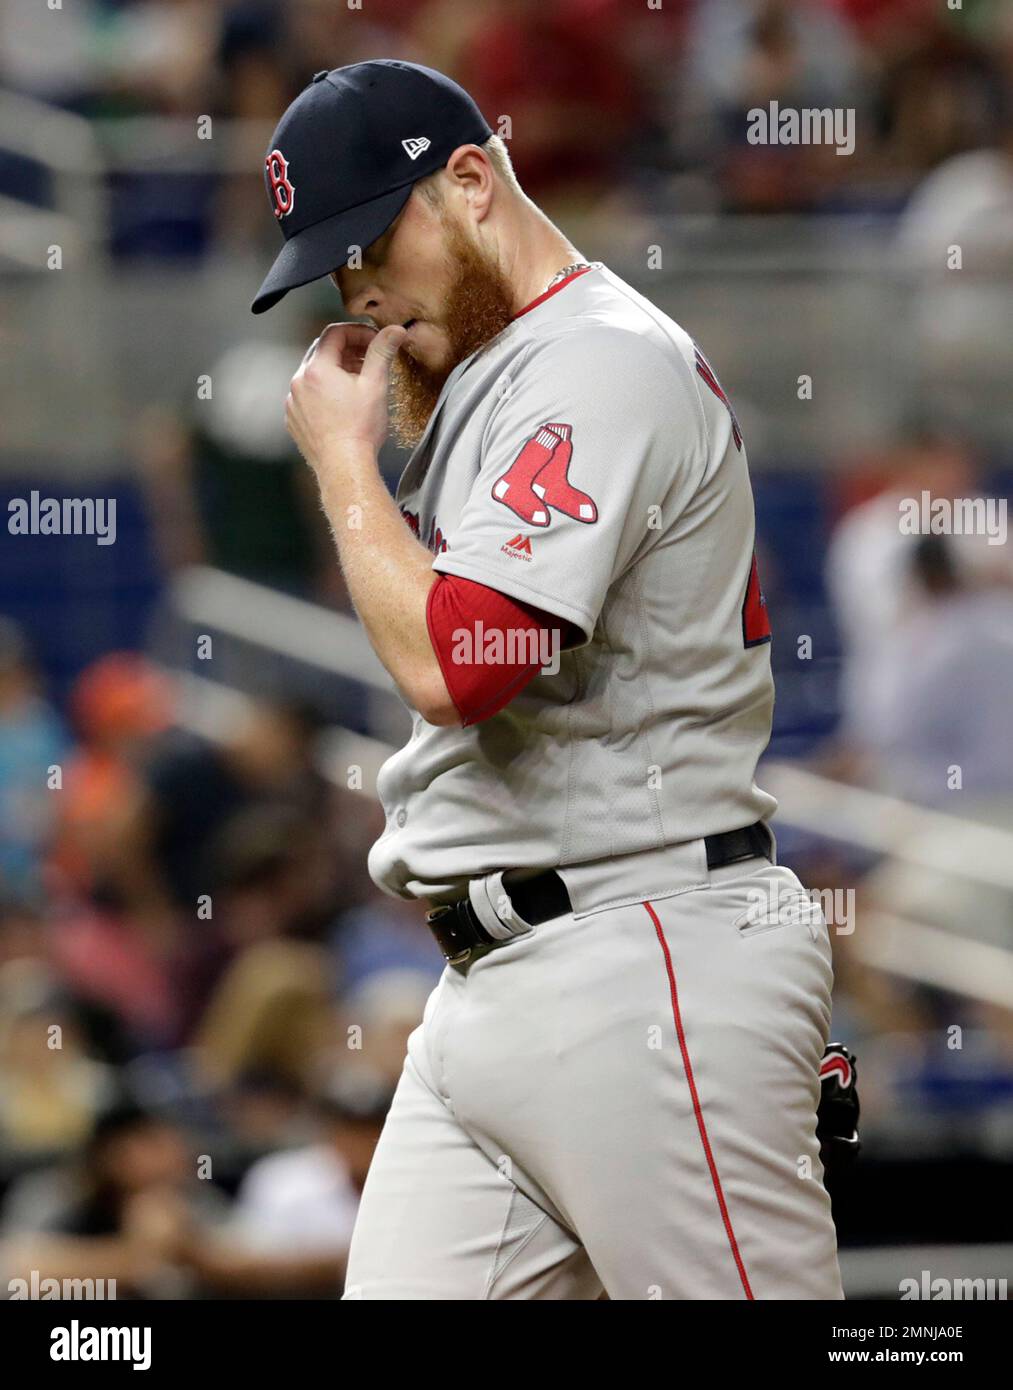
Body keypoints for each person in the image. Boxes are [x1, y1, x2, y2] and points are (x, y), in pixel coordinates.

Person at [251, 60, 842, 1300]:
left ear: (468, 180)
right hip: (492, 984)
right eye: (329, 266)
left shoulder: (596, 360)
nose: (357, 291)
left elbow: (464, 662)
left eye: (368, 242)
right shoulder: (499, 372)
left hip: (643, 950)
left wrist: (344, 473)